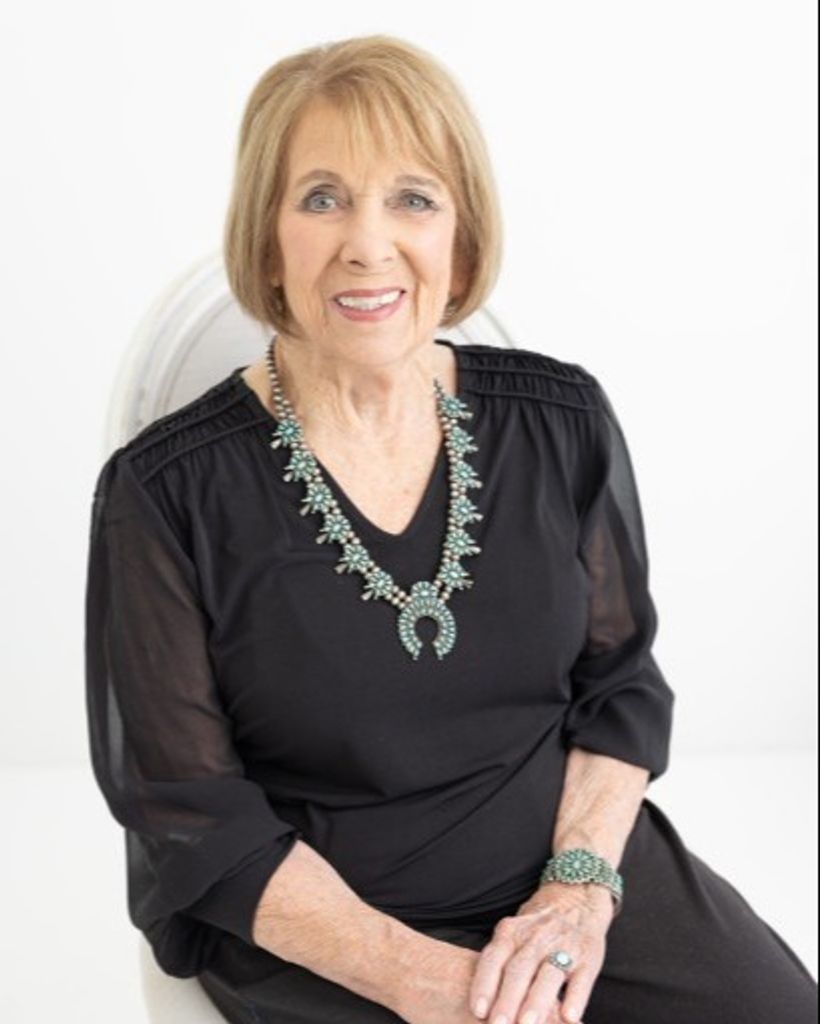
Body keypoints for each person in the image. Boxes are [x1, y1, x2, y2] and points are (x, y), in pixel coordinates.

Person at [84, 33, 817, 1024]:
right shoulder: (164, 492)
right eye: (321, 198)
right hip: (327, 924)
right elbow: (190, 811)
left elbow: (618, 685)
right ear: (265, 237)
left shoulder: (562, 422)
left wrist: (576, 891)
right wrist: (430, 983)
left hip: (562, 872)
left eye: (413, 199)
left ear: (461, 237)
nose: (368, 244)